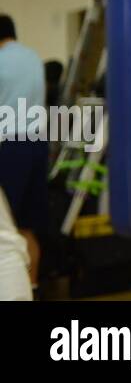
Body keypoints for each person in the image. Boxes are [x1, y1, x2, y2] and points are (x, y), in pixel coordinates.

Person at [0, 14, 46, 292]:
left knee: (6, 231)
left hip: (9, 146)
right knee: (27, 228)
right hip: (37, 144)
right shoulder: (33, 58)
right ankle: (33, 288)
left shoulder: (1, 61)